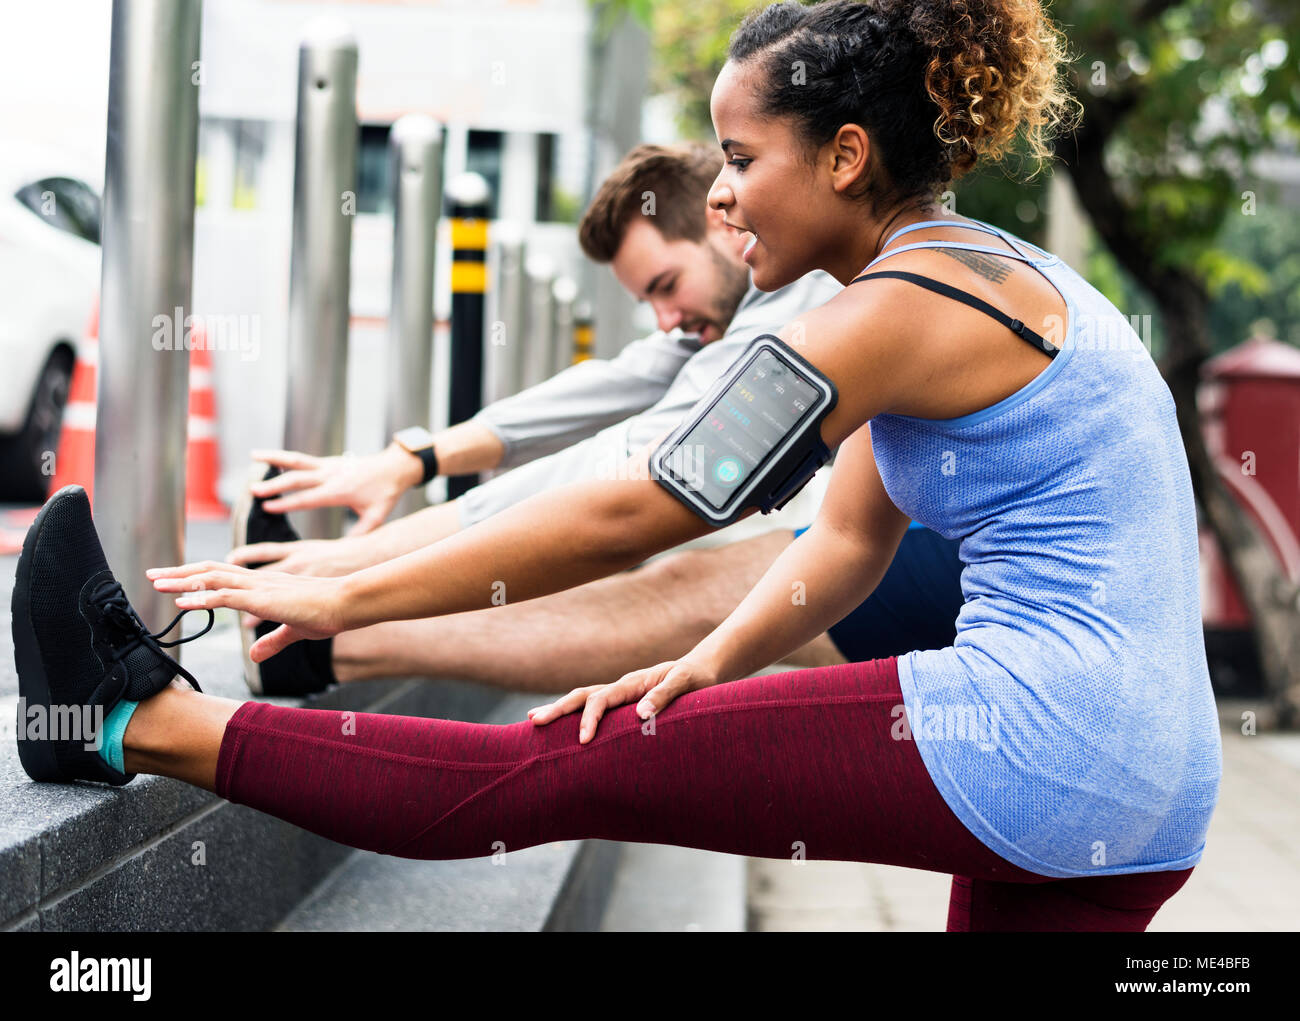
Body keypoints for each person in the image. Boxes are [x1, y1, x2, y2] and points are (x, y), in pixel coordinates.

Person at [15, 0, 1221, 932]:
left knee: (540, 778)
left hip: (1045, 736)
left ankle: (135, 718)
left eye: (740, 157)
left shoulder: (894, 307)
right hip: (1150, 789)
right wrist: (697, 667)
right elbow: (846, 543)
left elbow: (654, 499)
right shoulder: (980, 274)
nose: (726, 196)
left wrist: (343, 595)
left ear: (846, 156)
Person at [226, 142, 963, 695]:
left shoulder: (810, 291)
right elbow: (611, 386)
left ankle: (321, 648)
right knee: (695, 580)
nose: (665, 317)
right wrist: (414, 461)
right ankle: (317, 649)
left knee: (695, 590)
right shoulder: (765, 291)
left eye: (742, 161)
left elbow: (645, 467)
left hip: (992, 566)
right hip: (956, 543)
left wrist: (344, 570)